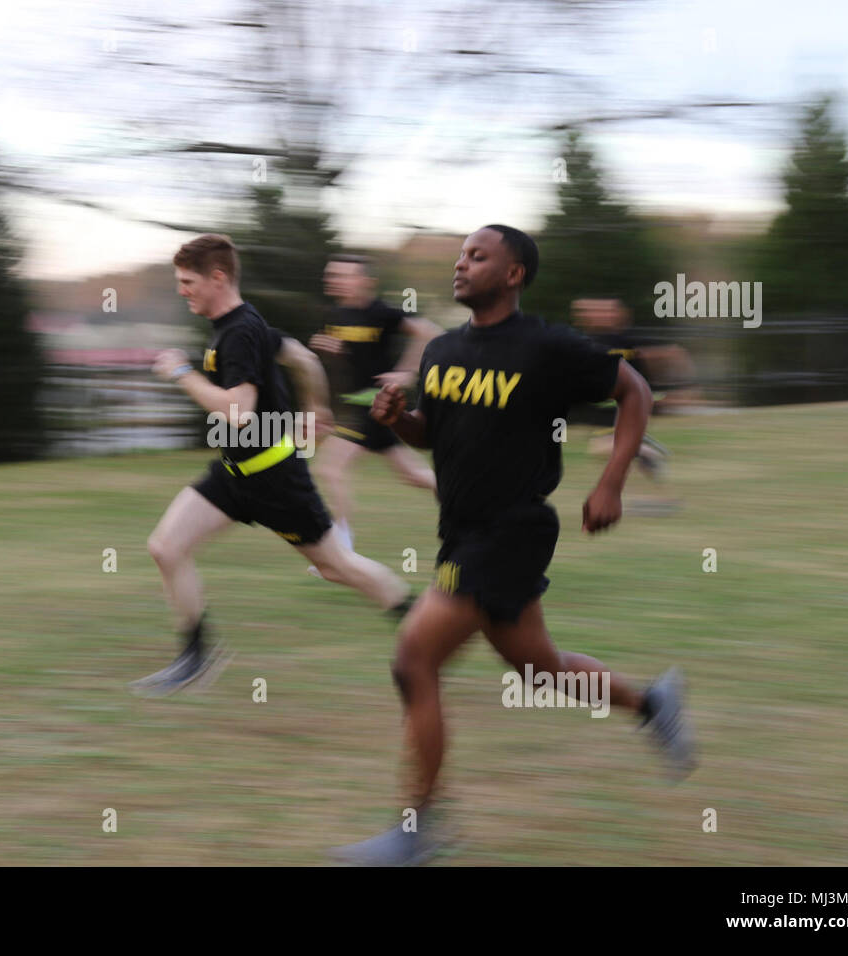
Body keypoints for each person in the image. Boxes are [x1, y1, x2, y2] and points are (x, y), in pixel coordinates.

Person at [330, 226, 697, 865]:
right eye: (461, 255)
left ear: (515, 273)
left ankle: (418, 831)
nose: (461, 264)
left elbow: (633, 390)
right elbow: (432, 437)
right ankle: (651, 702)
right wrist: (399, 421)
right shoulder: (442, 351)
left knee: (412, 659)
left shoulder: (547, 346)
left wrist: (611, 481)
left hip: (513, 532)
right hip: (461, 533)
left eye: (478, 256)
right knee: (537, 666)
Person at [133, 234, 412, 697]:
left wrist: (182, 373)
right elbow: (302, 357)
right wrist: (316, 408)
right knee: (165, 547)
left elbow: (238, 412)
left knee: (338, 567)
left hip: (275, 477)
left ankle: (422, 622)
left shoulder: (240, 331)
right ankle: (197, 657)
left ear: (217, 277)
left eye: (188, 281)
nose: (182, 290)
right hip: (235, 472)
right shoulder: (238, 324)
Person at [306, 255, 440, 576]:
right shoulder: (333, 315)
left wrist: (406, 372)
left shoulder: (382, 313)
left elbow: (430, 333)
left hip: (375, 405)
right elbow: (336, 366)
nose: (334, 280)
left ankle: (341, 548)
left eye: (342, 274)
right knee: (414, 476)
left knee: (330, 467)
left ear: (366, 281)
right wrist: (325, 355)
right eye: (331, 274)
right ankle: (471, 494)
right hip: (357, 408)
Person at [569, 296, 699, 489]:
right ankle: (646, 458)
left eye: (606, 312)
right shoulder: (592, 341)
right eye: (594, 312)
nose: (598, 315)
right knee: (607, 449)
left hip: (623, 404)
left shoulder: (626, 341)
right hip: (614, 405)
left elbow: (672, 353)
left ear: (617, 316)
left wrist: (684, 386)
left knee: (601, 447)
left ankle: (643, 449)